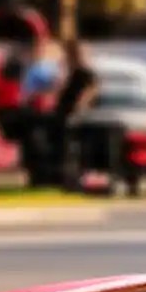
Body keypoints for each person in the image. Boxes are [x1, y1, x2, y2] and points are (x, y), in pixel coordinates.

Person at [51, 39, 98, 186]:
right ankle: (66, 177)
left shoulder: (85, 73)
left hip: (74, 115)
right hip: (64, 113)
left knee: (74, 147)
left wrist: (79, 109)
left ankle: (75, 178)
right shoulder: (70, 73)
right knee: (64, 146)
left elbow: (90, 92)